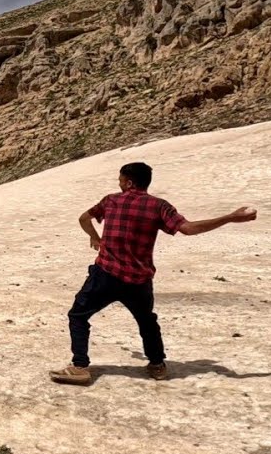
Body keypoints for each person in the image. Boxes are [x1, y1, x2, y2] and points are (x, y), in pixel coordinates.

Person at [49, 162, 258, 385]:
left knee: (78, 315)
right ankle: (157, 364)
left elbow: (83, 218)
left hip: (106, 274)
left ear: (129, 182)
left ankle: (80, 365)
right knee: (147, 321)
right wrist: (229, 217)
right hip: (139, 280)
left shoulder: (111, 200)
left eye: (120, 180)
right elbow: (188, 229)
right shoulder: (159, 206)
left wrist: (95, 237)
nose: (119, 184)